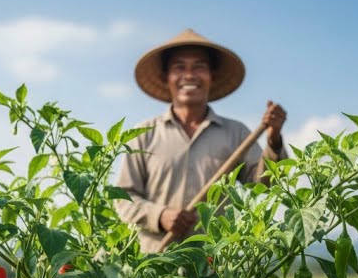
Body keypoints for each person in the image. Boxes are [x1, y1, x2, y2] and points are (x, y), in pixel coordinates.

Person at [114, 29, 288, 254]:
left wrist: (273, 139)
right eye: (179, 67)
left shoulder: (236, 133)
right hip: (156, 263)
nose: (189, 75)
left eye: (199, 66)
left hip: (215, 266)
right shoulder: (143, 134)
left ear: (211, 76)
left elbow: (264, 190)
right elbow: (123, 197)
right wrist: (160, 216)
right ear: (166, 77)